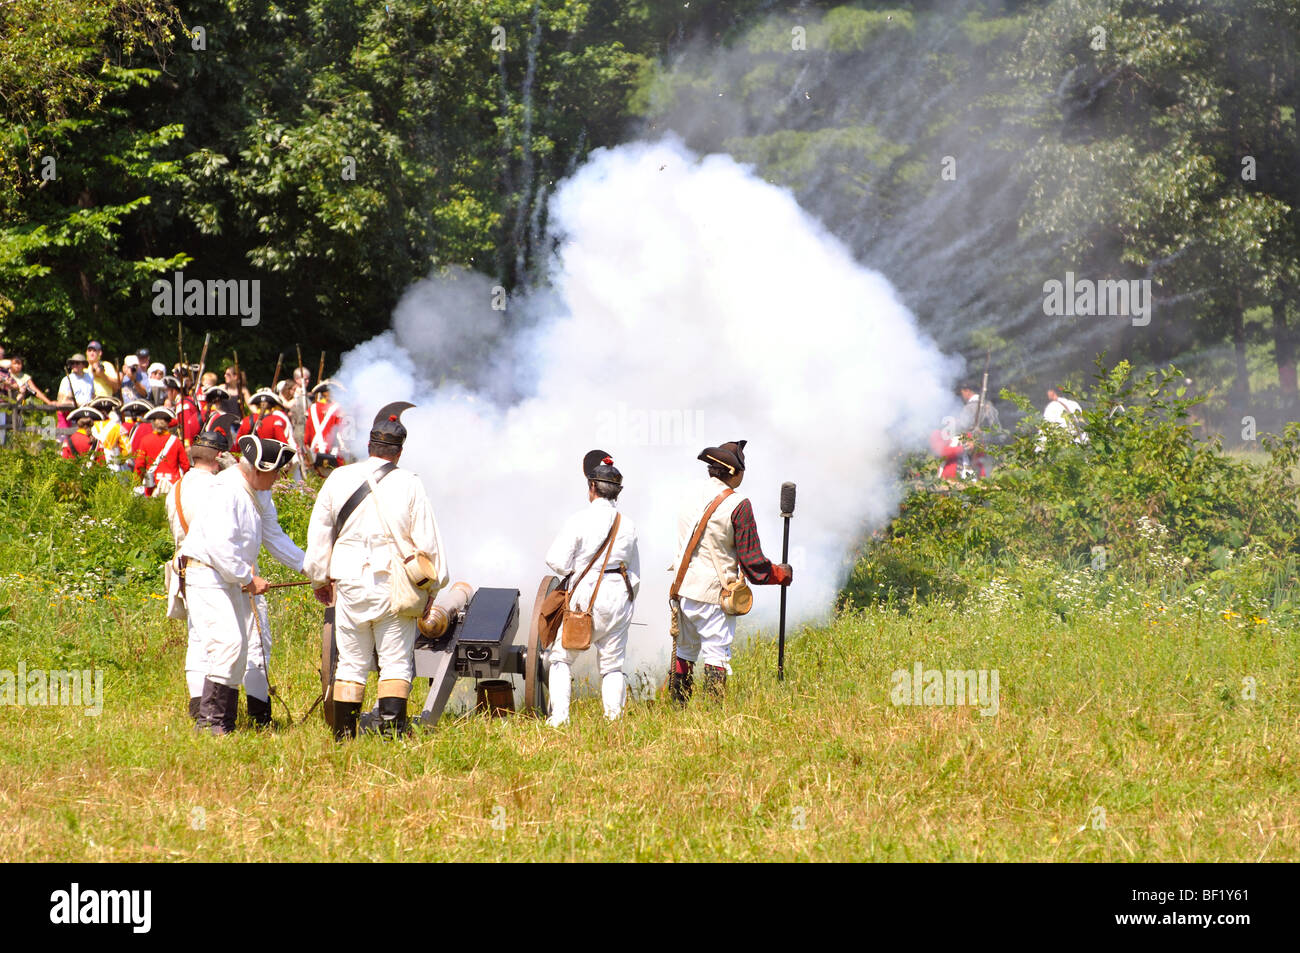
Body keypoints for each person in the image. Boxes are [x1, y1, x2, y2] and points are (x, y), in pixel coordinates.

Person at [303, 403, 448, 740]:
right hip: (394, 584)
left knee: (351, 663)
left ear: (369, 447)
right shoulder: (410, 482)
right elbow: (428, 542)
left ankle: (343, 736)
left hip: (349, 582)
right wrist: (433, 590)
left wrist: (319, 578)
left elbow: (320, 534)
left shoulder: (339, 478)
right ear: (398, 452)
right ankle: (392, 735)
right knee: (395, 662)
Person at [179, 435, 300, 734]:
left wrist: (314, 568)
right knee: (229, 644)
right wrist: (248, 578)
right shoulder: (225, 490)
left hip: (228, 577)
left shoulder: (259, 492)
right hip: (207, 574)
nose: (278, 478)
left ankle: (220, 723)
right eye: (275, 473)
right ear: (257, 470)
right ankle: (211, 724)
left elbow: (275, 538)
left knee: (240, 649)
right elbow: (220, 546)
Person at [668, 440, 792, 703]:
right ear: (734, 472)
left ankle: (678, 710)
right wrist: (779, 574)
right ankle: (714, 716)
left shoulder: (687, 492)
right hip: (715, 594)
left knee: (685, 652)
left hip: (683, 589)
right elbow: (753, 562)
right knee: (716, 654)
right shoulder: (739, 504)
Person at [543, 451, 640, 726]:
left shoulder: (578, 520)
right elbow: (634, 572)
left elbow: (556, 560)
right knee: (612, 666)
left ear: (593, 487)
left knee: (561, 658)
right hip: (620, 596)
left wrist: (576, 571)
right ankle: (613, 720)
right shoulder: (628, 525)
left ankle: (560, 720)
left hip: (586, 596)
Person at [165, 427, 231, 720]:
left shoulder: (176, 488)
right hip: (213, 567)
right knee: (223, 640)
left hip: (183, 565)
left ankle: (197, 706)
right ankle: (212, 712)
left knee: (196, 638)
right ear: (219, 457)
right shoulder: (218, 488)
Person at [133, 407, 190, 495]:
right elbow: (185, 465)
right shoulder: (176, 441)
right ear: (168, 423)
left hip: (152, 485)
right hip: (173, 485)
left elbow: (139, 465)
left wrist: (136, 484)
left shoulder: (145, 440)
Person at [305, 380, 347, 473]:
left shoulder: (312, 408)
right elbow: (341, 434)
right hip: (333, 455)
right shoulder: (338, 409)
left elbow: (306, 437)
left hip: (315, 454)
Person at [163, 375, 201, 446]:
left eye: (167, 390)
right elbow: (179, 420)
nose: (166, 393)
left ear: (173, 391)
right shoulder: (186, 400)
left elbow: (186, 425)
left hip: (191, 442)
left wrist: (187, 444)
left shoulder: (183, 404)